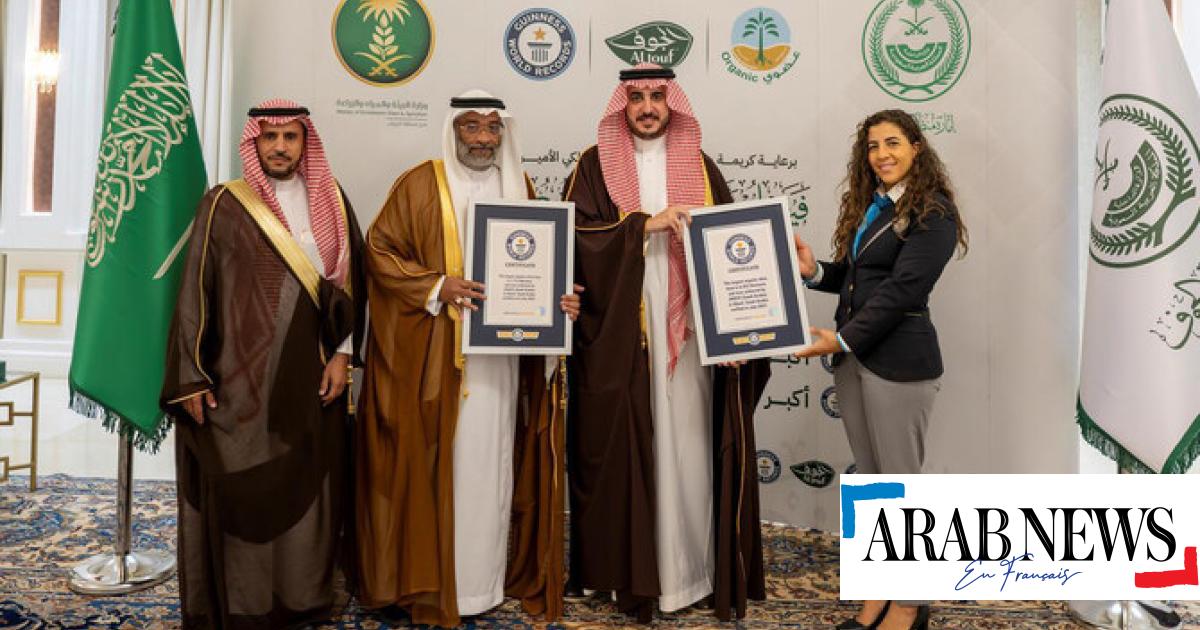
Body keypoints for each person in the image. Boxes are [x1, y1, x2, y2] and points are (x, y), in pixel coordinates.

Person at [355, 90, 578, 627]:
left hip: (499, 363)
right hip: (435, 360)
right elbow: (379, 253)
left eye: (493, 127)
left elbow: (537, 266)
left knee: (491, 466)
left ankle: (482, 585)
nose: (483, 138)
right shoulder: (418, 184)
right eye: (472, 126)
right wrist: (438, 286)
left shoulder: (519, 187)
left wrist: (559, 301)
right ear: (454, 129)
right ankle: (433, 584)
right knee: (443, 468)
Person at [563, 63, 771, 622]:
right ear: (623, 106)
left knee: (689, 451)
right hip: (622, 335)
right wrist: (643, 226)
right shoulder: (593, 165)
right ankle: (625, 575)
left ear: (672, 103)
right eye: (637, 98)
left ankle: (690, 573)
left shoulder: (701, 168)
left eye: (658, 96)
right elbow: (573, 239)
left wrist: (744, 322)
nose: (648, 107)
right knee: (625, 453)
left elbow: (735, 252)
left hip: (691, 334)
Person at [161, 99, 366, 629]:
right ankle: (244, 604)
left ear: (305, 142)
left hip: (311, 375)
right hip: (239, 378)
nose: (279, 147)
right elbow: (196, 290)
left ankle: (301, 598)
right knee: (244, 486)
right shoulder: (225, 203)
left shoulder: (332, 200)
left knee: (306, 485)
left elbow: (349, 288)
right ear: (253, 142)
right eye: (269, 137)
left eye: (290, 137)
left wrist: (343, 356)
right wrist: (191, 376)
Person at [794, 108, 968, 630]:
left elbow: (904, 289)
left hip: (899, 364)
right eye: (872, 146)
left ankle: (910, 607)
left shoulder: (934, 211)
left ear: (916, 147)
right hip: (854, 360)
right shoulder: (876, 206)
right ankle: (877, 596)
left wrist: (841, 337)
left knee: (902, 490)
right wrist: (814, 271)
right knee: (873, 486)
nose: (881, 154)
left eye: (892, 143)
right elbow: (858, 279)